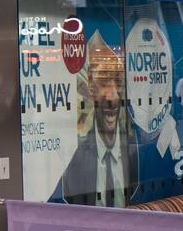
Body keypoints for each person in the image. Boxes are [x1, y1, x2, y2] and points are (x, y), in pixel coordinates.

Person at [58, 35, 137, 207]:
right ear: (91, 89)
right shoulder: (74, 160)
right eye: (104, 83)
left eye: (118, 82)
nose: (112, 95)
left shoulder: (135, 152)